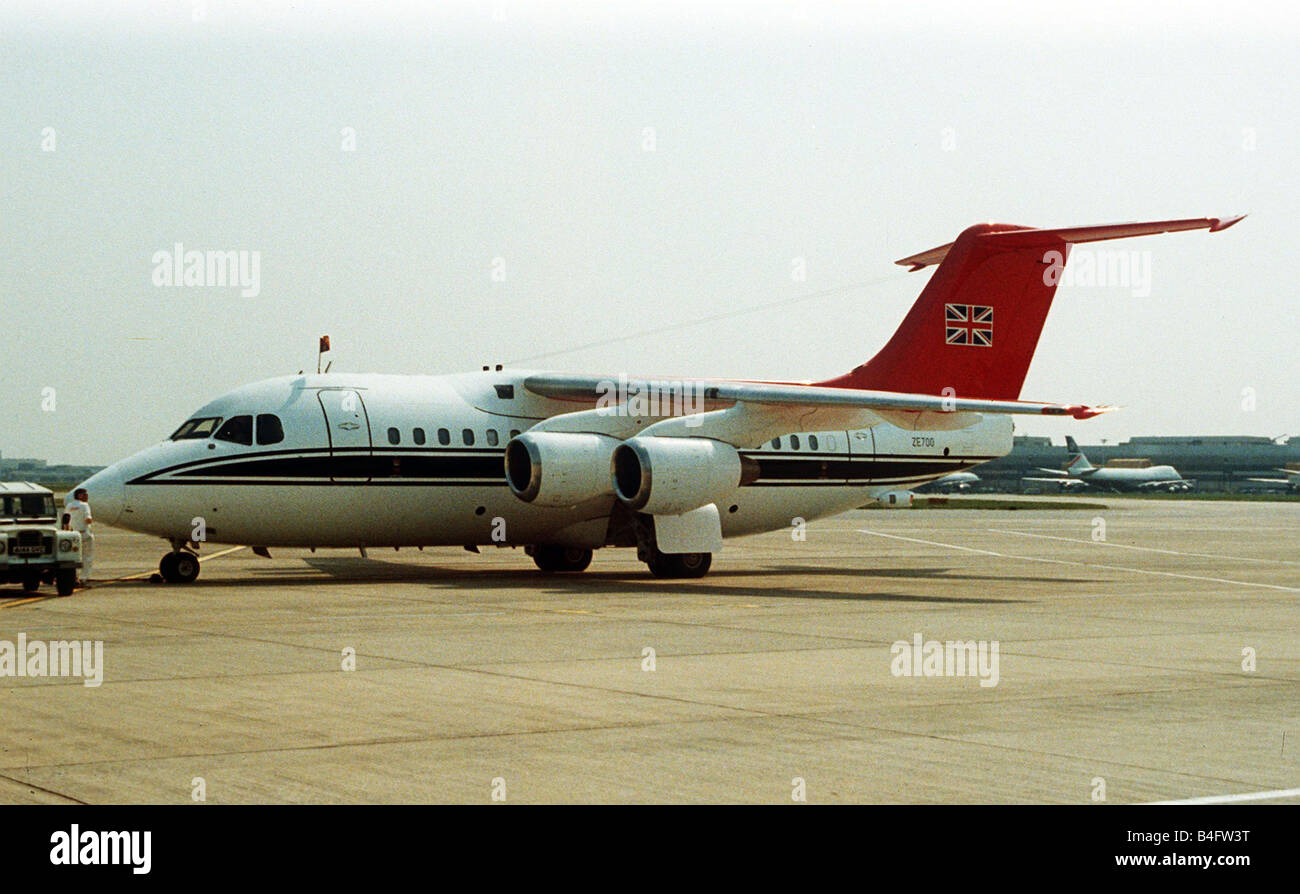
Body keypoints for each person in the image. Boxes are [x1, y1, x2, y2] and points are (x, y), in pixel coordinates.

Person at [63, 488, 94, 587]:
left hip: (72, 534)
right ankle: (84, 578)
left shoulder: (69, 505)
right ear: (80, 496)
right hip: (84, 533)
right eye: (85, 495)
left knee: (73, 557)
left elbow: (65, 520)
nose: (87, 497)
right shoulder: (84, 505)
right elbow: (88, 519)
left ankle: (74, 577)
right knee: (87, 556)